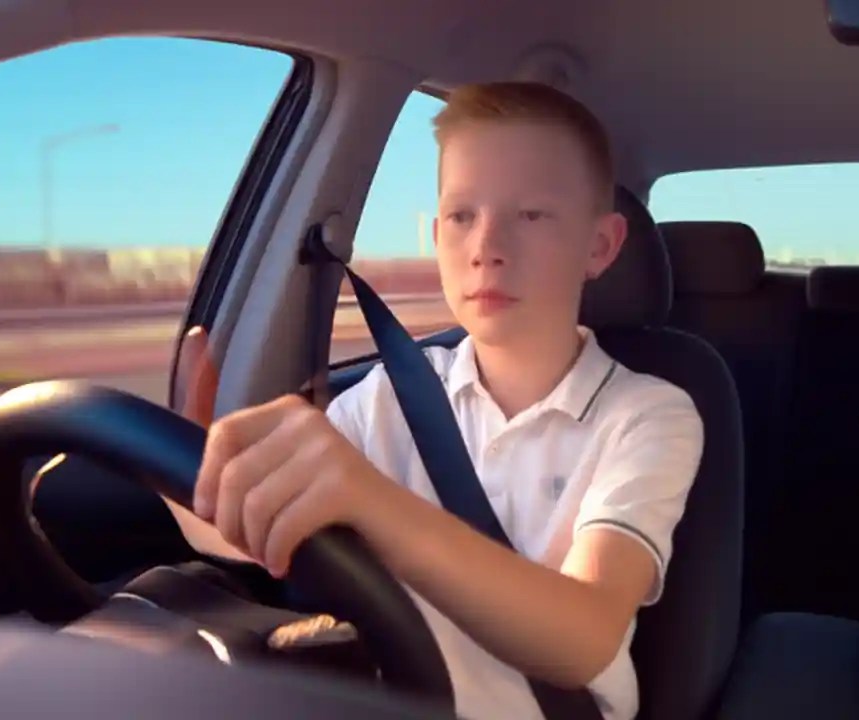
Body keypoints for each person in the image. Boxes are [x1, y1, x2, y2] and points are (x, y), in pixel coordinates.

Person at [164, 82, 705, 720]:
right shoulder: (391, 393)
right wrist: (191, 464)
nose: (486, 247)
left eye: (531, 214)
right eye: (461, 216)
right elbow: (268, 537)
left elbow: (587, 638)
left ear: (601, 247)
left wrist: (369, 498)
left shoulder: (648, 416)